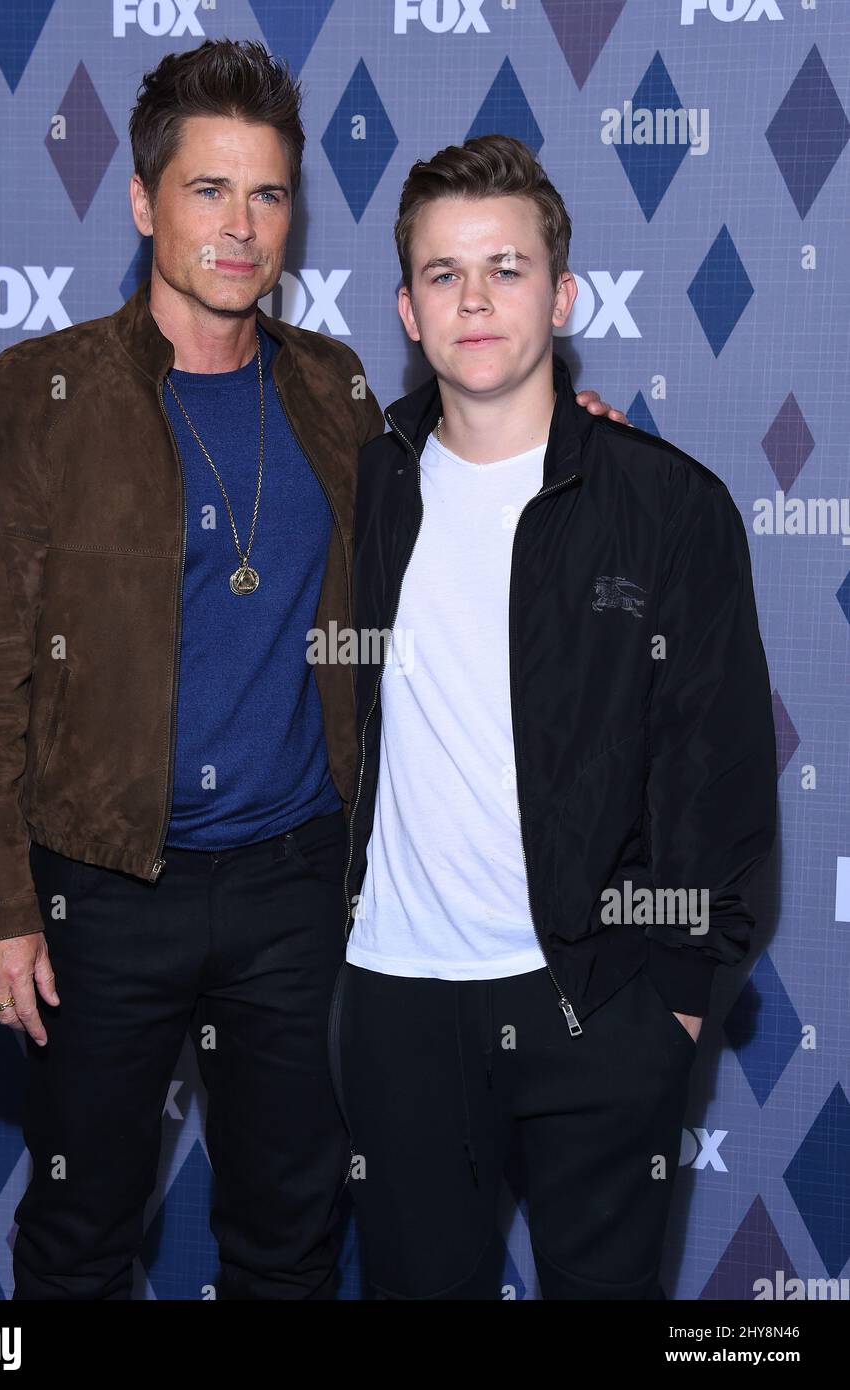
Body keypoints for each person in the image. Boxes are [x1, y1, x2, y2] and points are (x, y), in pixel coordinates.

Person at [0, 41, 626, 1300]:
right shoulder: (37, 397)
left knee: (291, 1236)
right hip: (101, 892)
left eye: (266, 195)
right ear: (144, 202)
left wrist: (570, 451)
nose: (241, 227)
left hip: (302, 894)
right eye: (207, 191)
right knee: (77, 1240)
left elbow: (460, 477)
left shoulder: (334, 388)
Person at [333, 134, 778, 1300]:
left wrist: (675, 1003)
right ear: (405, 306)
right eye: (442, 273)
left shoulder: (665, 506)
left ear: (562, 292)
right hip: (396, 1003)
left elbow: (716, 770)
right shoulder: (363, 480)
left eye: (505, 266)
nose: (473, 298)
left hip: (596, 1001)